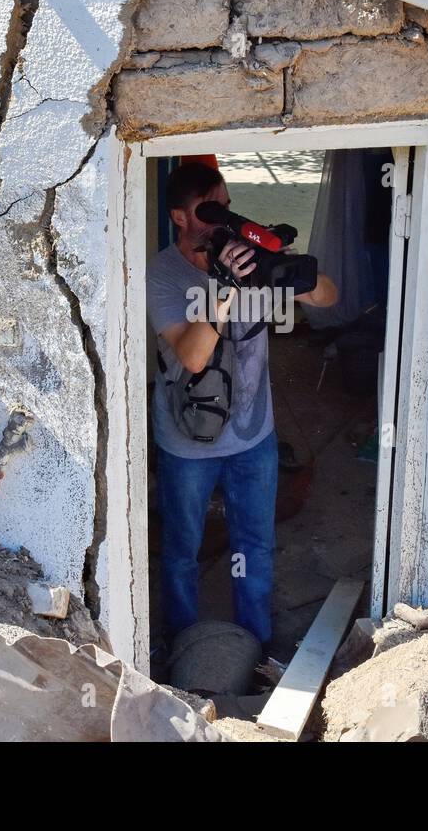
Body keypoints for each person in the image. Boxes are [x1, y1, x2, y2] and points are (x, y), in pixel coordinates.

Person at [148, 160, 337, 649]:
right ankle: (186, 649)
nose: (220, 221)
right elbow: (192, 357)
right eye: (207, 211)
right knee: (181, 550)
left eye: (227, 208)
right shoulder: (161, 275)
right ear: (179, 217)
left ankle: (254, 646)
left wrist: (287, 268)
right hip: (186, 442)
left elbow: (329, 297)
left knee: (254, 546)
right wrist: (226, 288)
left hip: (254, 436)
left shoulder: (247, 258)